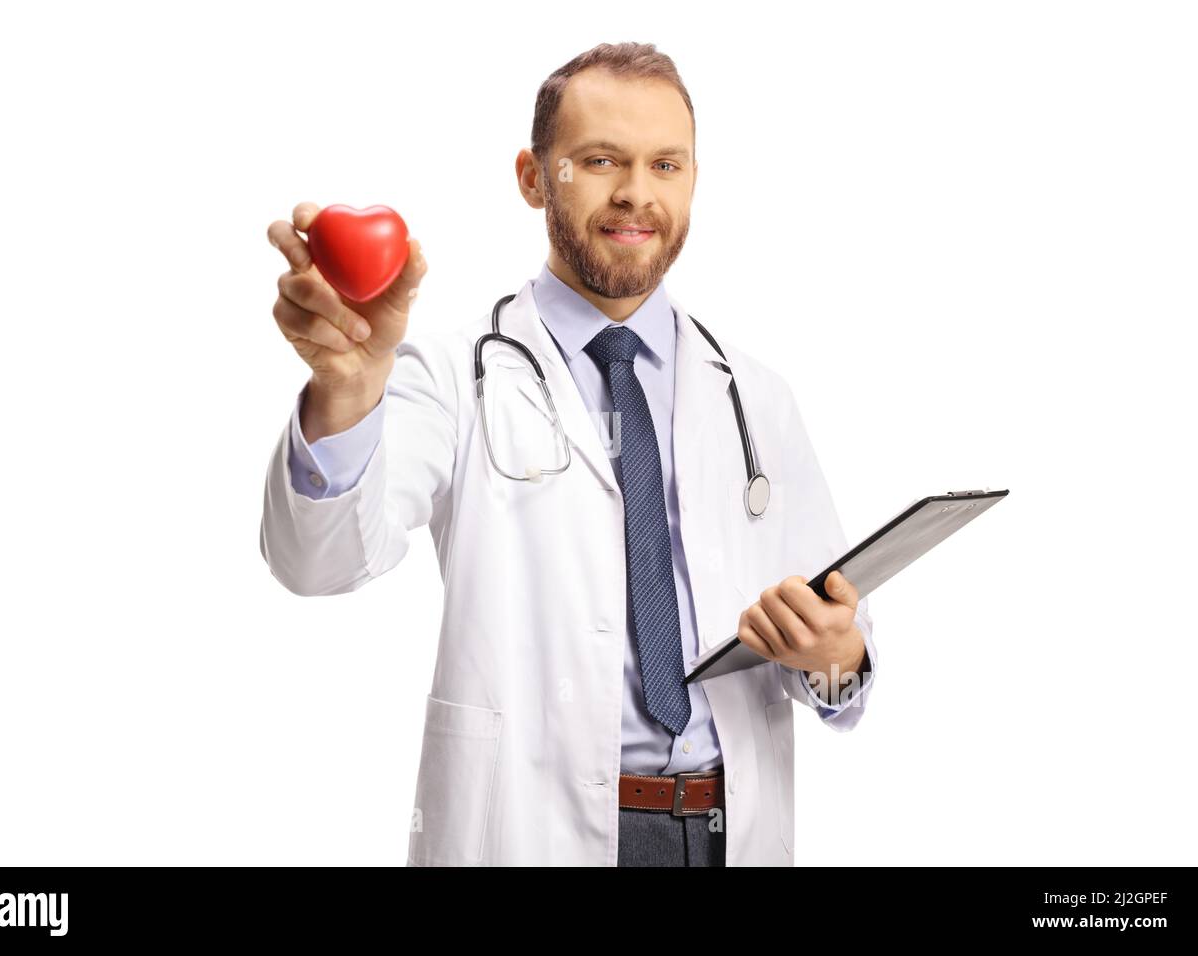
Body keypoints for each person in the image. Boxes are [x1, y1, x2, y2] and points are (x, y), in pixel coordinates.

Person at [261, 41, 876, 867]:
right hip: (532, 830)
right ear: (533, 176)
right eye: (600, 161)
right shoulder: (452, 376)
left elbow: (841, 649)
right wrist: (345, 388)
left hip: (730, 831)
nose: (636, 194)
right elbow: (318, 561)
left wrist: (838, 656)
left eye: (666, 164)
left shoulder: (753, 396)